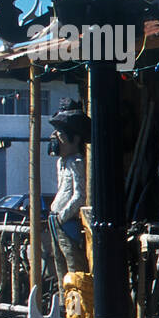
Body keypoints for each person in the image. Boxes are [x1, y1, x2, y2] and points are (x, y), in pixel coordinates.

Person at [47, 101, 90, 294]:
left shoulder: (77, 162)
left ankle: (79, 311)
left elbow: (80, 195)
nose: (57, 139)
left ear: (75, 139)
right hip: (56, 220)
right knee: (59, 268)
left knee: (75, 270)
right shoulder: (61, 162)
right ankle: (66, 310)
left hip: (67, 221)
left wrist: (63, 215)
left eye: (62, 135)